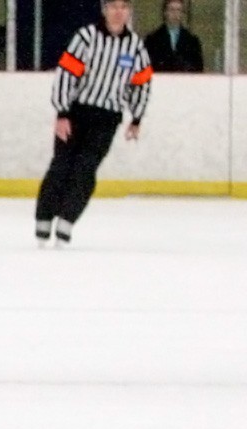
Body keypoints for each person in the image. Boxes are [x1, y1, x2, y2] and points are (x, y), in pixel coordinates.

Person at [35, 0, 151, 247]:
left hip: (107, 119)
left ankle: (66, 222)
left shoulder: (135, 47)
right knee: (61, 167)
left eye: (124, 7)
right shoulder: (86, 37)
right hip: (76, 113)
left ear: (129, 11)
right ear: (104, 10)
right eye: (113, 7)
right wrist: (62, 112)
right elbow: (66, 73)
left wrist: (136, 118)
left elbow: (140, 83)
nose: (118, 12)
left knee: (85, 171)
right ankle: (43, 220)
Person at [142, 0, 204, 72]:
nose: (175, 14)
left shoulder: (192, 41)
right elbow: (146, 66)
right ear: (165, 12)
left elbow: (198, 68)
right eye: (172, 10)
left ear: (182, 13)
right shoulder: (152, 40)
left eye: (178, 10)